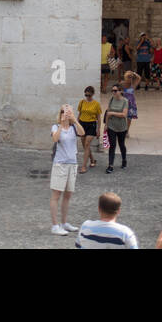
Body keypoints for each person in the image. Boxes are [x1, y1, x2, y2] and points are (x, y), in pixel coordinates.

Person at [49, 105, 83, 235]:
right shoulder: (55, 127)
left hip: (72, 164)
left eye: (68, 111)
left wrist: (74, 120)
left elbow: (82, 133)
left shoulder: (74, 127)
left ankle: (64, 223)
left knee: (68, 195)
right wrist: (61, 124)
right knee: (56, 195)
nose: (66, 113)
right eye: (63, 111)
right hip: (60, 164)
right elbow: (55, 139)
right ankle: (55, 225)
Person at [104, 82, 130, 173]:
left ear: (120, 91)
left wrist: (112, 113)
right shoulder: (111, 99)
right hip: (111, 126)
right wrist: (106, 125)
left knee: (121, 145)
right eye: (112, 91)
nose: (113, 92)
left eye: (115, 91)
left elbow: (124, 114)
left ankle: (124, 160)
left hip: (122, 127)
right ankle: (110, 165)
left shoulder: (125, 101)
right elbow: (108, 113)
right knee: (112, 145)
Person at [77, 85, 102, 171]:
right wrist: (77, 125)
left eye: (89, 95)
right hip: (82, 124)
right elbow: (79, 114)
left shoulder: (96, 104)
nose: (87, 97)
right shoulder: (82, 102)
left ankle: (83, 166)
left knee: (87, 144)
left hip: (91, 124)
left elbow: (98, 118)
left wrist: (98, 130)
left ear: (93, 94)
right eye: (86, 95)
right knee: (85, 145)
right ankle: (92, 159)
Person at [121, 71, 141, 136]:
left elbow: (139, 78)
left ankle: (127, 131)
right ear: (125, 77)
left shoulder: (133, 84)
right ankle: (121, 130)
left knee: (129, 118)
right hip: (123, 103)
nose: (129, 78)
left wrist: (133, 73)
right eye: (128, 77)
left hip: (131, 103)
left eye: (131, 77)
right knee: (122, 117)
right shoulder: (122, 84)